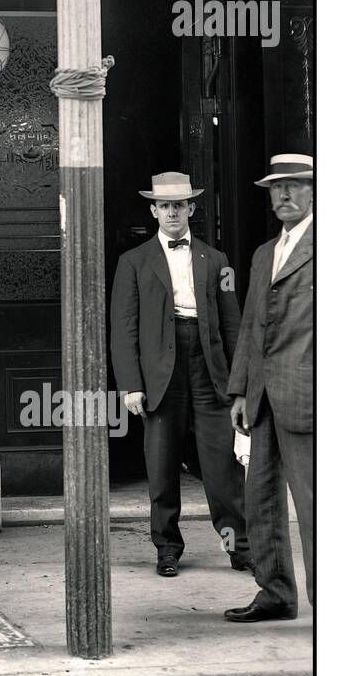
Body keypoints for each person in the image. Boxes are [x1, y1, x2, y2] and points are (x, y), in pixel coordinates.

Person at [110, 172, 250, 577]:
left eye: (179, 205)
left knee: (222, 464)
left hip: (210, 368)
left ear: (191, 208)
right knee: (162, 464)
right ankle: (167, 548)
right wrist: (131, 385)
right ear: (153, 211)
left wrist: (238, 384)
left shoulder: (217, 260)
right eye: (164, 206)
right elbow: (124, 329)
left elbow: (233, 326)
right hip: (159, 370)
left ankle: (238, 546)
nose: (172, 212)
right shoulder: (133, 262)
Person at [225, 155, 314, 624]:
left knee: (317, 506)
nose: (285, 196)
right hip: (261, 399)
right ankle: (275, 593)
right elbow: (249, 329)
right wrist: (240, 390)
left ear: (315, 192)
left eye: (296, 187)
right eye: (277, 188)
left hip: (309, 396)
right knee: (260, 501)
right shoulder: (264, 254)